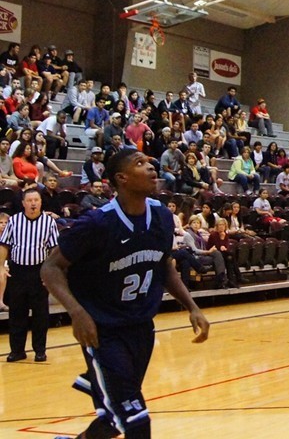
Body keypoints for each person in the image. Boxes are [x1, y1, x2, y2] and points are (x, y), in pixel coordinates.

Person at [41, 150, 210, 438]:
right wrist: (77, 312)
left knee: (113, 418)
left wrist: (191, 306)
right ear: (121, 178)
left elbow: (164, 266)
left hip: (141, 328)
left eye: (150, 161)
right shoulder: (97, 223)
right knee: (135, 420)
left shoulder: (161, 216)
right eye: (140, 163)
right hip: (102, 331)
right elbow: (50, 268)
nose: (152, 167)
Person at [0, 188, 59, 362]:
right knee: (17, 313)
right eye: (30, 200)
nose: (33, 203)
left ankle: (40, 350)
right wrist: (1, 266)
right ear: (23, 203)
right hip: (17, 270)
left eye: (36, 200)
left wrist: (50, 272)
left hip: (39, 271)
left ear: (41, 202)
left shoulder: (49, 222)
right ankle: (17, 350)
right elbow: (4, 245)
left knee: (41, 313)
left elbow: (54, 249)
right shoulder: (14, 221)